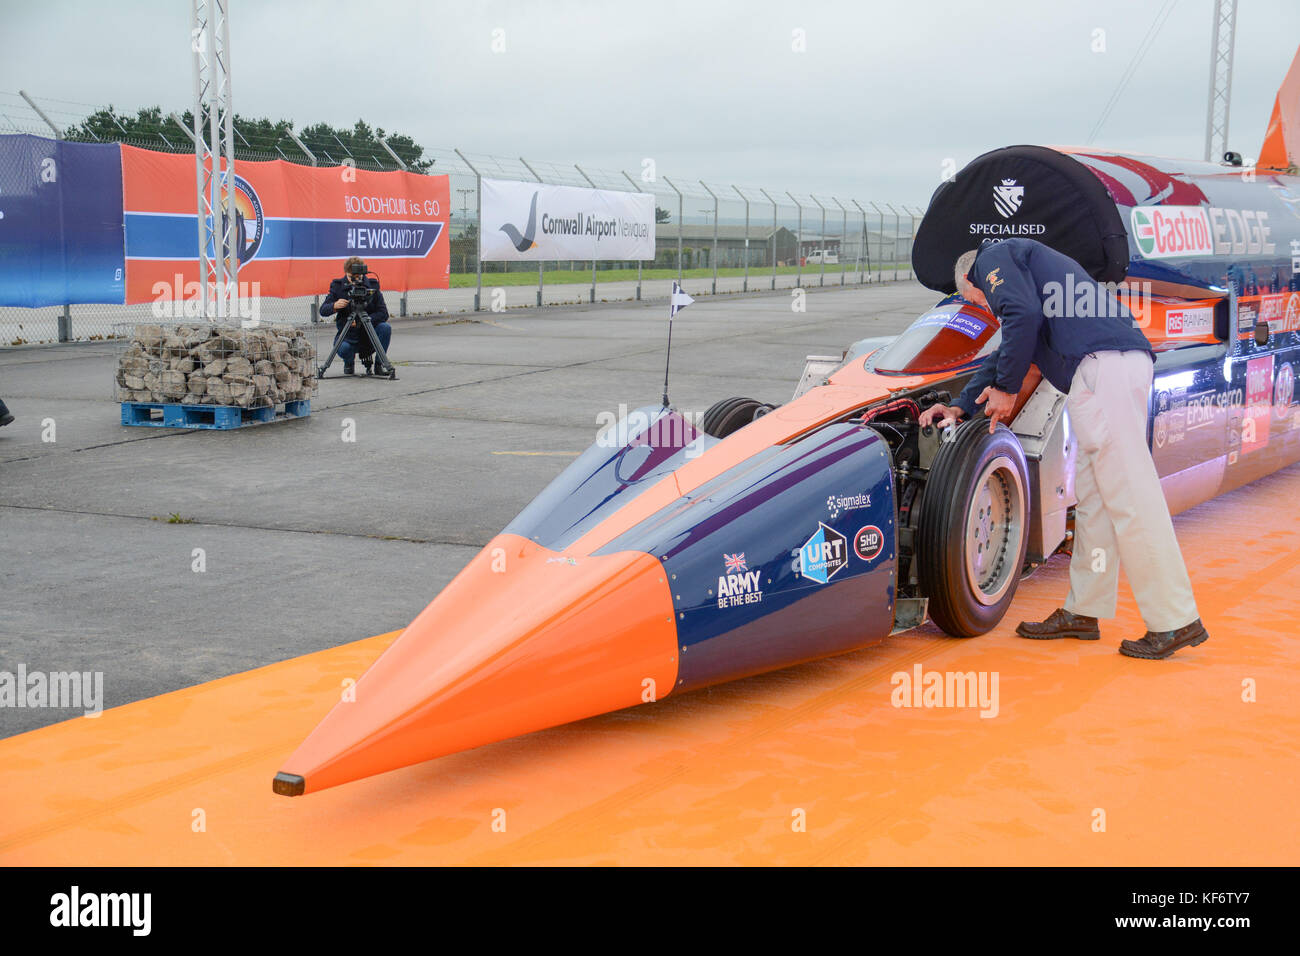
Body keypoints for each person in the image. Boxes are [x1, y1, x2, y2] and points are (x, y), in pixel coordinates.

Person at [918, 237, 1209, 660]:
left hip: (1104, 367)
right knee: (1097, 501)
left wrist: (1005, 390)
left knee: (1130, 493)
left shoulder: (992, 259)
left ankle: (1174, 620)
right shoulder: (1031, 272)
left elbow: (1019, 315)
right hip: (1110, 366)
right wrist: (962, 405)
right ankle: (1083, 611)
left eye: (975, 298)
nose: (983, 306)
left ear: (969, 277)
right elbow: (1008, 349)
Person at [319, 257, 392, 375]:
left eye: (359, 276)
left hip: (368, 335)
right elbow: (323, 310)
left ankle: (380, 365)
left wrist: (363, 321)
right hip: (348, 336)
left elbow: (383, 313)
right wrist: (335, 305)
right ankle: (348, 362)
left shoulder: (372, 286)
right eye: (353, 276)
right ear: (346, 273)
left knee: (385, 328)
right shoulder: (338, 286)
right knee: (344, 348)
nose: (357, 280)